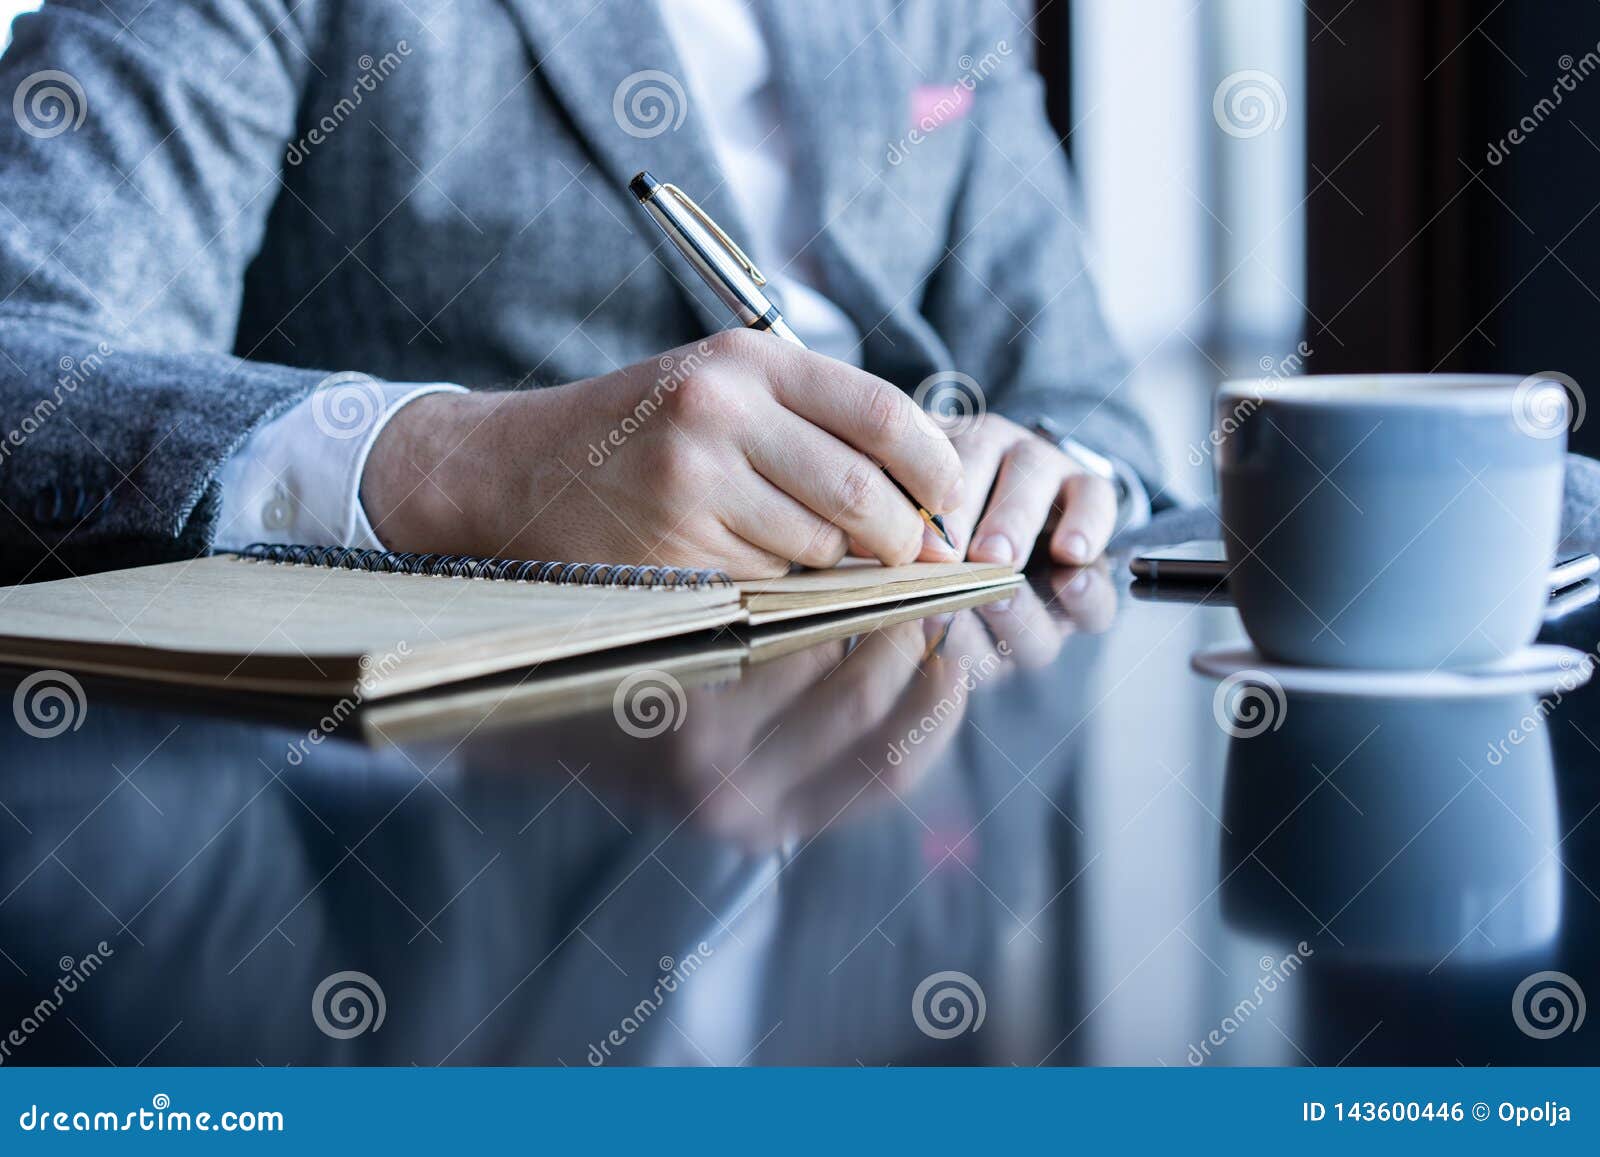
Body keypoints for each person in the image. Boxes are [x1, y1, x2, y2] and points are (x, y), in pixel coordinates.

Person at [0, 0, 1159, 583]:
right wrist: (464, 467)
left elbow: (1097, 418)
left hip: (921, 761)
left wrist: (1060, 476)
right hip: (424, 821)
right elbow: (26, 359)